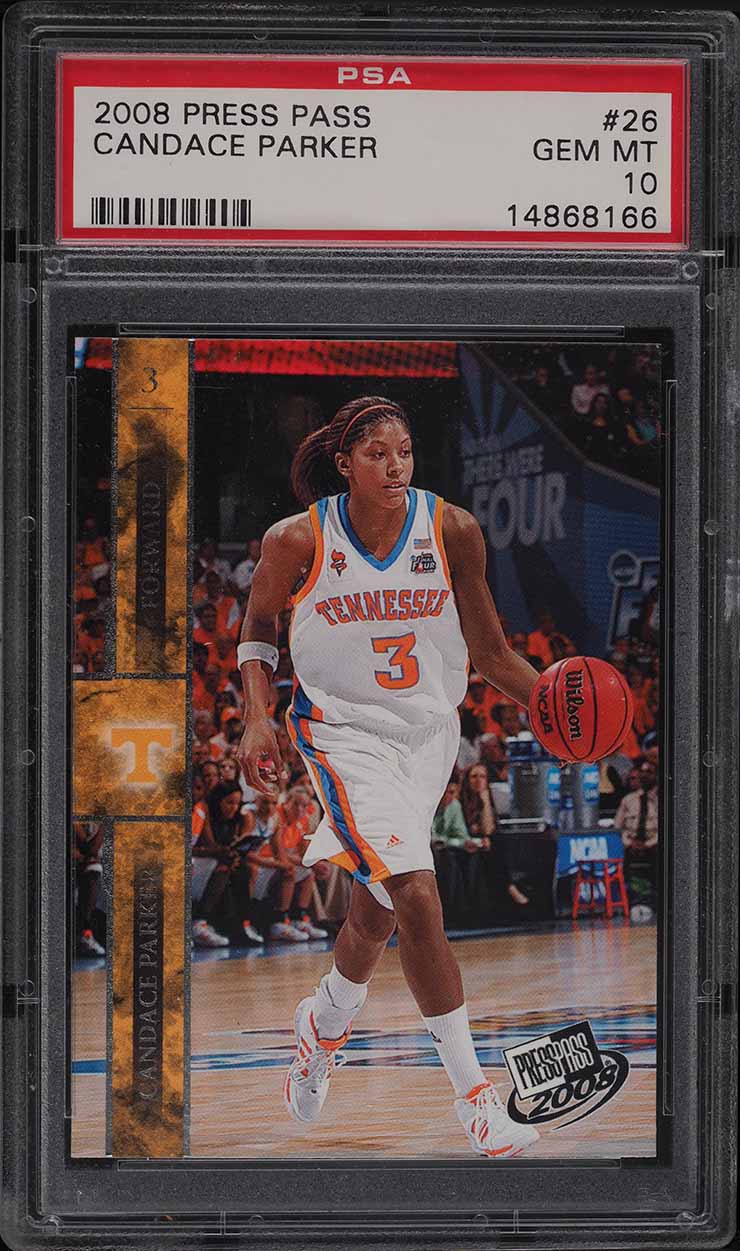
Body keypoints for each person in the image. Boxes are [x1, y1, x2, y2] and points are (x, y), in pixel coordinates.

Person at [237, 395, 541, 1158]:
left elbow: (492, 655)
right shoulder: (298, 538)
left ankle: (322, 1025)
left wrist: (555, 708)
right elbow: (259, 625)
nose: (395, 465)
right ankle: (477, 1099)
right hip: (341, 734)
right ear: (345, 463)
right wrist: (257, 715)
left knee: (375, 914)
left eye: (404, 451)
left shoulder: (452, 528)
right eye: (377, 454)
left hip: (429, 735)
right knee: (415, 892)